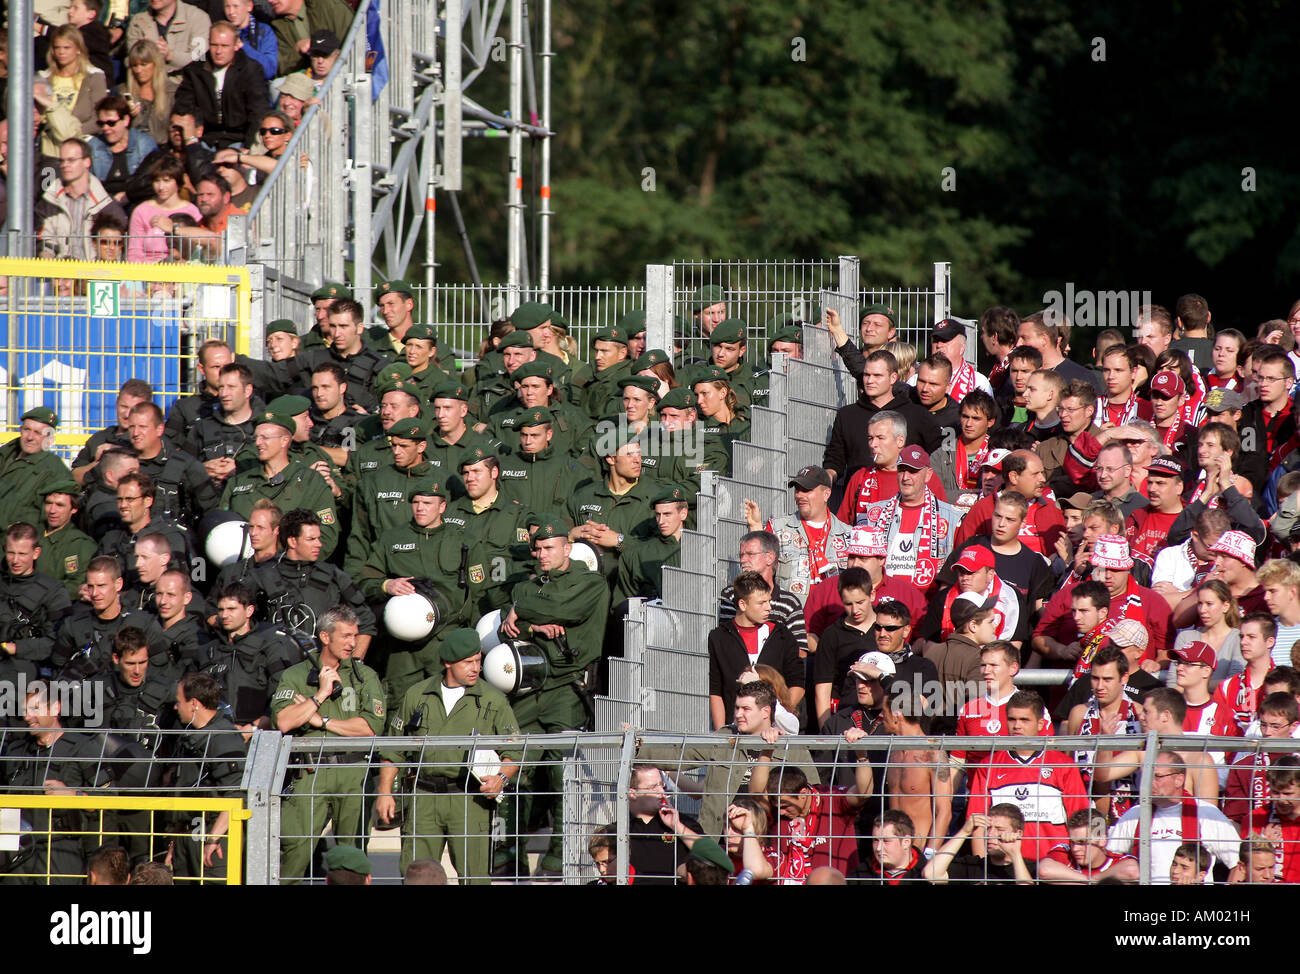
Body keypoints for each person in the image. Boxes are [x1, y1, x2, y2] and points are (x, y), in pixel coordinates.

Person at [377, 629, 522, 885]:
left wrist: (500, 777)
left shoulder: (493, 700)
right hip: (423, 797)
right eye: (468, 662)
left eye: (478, 660)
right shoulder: (417, 694)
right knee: (416, 875)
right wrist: (385, 792)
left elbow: (515, 751)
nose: (476, 668)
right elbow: (393, 748)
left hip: (468, 798)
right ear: (447, 663)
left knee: (474, 876)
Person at [272, 606, 385, 884]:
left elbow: (370, 728)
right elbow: (285, 721)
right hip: (311, 772)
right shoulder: (295, 675)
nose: (352, 643)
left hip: (353, 772)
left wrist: (319, 719)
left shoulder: (364, 676)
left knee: (352, 859)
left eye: (355, 636)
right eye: (346, 636)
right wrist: (320, 693)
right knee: (295, 852)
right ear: (325, 636)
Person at [636, 680, 820, 840]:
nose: (738, 714)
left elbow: (815, 793)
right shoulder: (724, 737)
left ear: (765, 712)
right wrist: (637, 747)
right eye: (737, 708)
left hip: (767, 839)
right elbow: (679, 754)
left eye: (746, 709)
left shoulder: (790, 745)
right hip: (717, 838)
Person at [0, 682, 113, 884]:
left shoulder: (83, 748)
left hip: (61, 851)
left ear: (55, 708)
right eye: (25, 711)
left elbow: (110, 800)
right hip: (15, 854)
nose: (27, 717)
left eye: (35, 709)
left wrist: (75, 796)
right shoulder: (15, 751)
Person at [966, 690, 1090, 862]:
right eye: (1012, 719)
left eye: (1024, 720)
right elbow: (977, 825)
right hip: (1004, 867)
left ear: (1040, 724)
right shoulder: (988, 766)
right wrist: (983, 868)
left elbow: (1080, 821)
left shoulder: (1063, 765)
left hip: (1054, 864)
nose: (1017, 726)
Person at [1106, 750, 1240, 883]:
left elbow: (1239, 865)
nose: (1148, 783)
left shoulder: (1207, 814)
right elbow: (1110, 860)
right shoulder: (1135, 814)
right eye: (1146, 776)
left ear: (1178, 780)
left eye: (1157, 776)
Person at [221, 412, 340, 558]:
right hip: (244, 569)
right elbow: (222, 526)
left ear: (284, 441)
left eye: (265, 437)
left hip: (291, 572)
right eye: (256, 437)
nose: (258, 443)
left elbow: (327, 536)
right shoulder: (239, 482)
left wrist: (287, 564)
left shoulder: (311, 482)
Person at [168, 671, 249, 883]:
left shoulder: (224, 738)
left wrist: (214, 839)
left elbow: (236, 794)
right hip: (188, 835)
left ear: (194, 703)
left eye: (179, 702)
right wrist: (175, 842)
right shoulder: (189, 737)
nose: (176, 707)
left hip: (214, 839)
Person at [822, 348, 942, 485]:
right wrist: (825, 480)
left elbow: (937, 457)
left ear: (893, 378)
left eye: (877, 375)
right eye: (866, 375)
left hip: (903, 497)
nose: (870, 380)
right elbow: (835, 460)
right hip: (859, 496)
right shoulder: (847, 415)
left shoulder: (917, 415)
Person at [857, 446, 960, 595]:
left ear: (928, 475)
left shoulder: (951, 517)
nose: (905, 477)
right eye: (901, 470)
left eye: (913, 471)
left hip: (926, 604)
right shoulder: (874, 513)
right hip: (879, 600)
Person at [761, 749, 873, 884]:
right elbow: (756, 792)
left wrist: (862, 757)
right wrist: (766, 752)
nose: (780, 812)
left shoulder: (832, 800)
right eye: (778, 806)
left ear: (803, 793)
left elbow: (863, 794)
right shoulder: (776, 811)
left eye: (785, 805)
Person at [747, 465, 852, 601]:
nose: (799, 495)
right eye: (797, 490)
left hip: (834, 617)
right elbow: (758, 572)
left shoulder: (849, 535)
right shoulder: (777, 528)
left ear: (826, 494)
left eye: (807, 490)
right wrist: (755, 528)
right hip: (790, 617)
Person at [173, 21, 270, 150]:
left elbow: (258, 112)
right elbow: (183, 104)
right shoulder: (195, 70)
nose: (218, 51)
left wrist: (248, 147)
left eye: (224, 46)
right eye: (214, 45)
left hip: (239, 139)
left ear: (236, 45)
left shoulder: (251, 70)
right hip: (206, 138)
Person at [0, 522, 73, 674]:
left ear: (36, 553)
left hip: (26, 665)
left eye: (22, 554)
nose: (15, 560)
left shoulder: (54, 592)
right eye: (10, 553)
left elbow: (60, 641)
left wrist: (16, 648)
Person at [38, 138, 125, 260]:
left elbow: (117, 248)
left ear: (87, 162)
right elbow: (43, 242)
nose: (64, 165)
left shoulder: (106, 205)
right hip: (58, 274)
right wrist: (46, 257)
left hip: (94, 274)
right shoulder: (49, 201)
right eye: (62, 161)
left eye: (71, 160)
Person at [924, 805, 1034, 885]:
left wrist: (1015, 854)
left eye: (999, 829)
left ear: (1018, 833)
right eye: (988, 828)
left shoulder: (1031, 869)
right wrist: (964, 832)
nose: (990, 834)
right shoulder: (972, 865)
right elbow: (931, 874)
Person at [127, 154, 201, 263]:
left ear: (178, 182)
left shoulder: (192, 211)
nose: (161, 187)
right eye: (157, 181)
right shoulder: (141, 210)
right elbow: (134, 252)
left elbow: (198, 247)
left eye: (166, 181)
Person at [1036, 809, 1139, 884]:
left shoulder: (1117, 861)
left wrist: (1092, 879)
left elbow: (1132, 871)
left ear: (1102, 840)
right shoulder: (1065, 852)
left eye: (1082, 842)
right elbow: (1044, 871)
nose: (1075, 848)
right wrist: (1090, 880)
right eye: (1072, 842)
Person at [36, 481, 98, 598]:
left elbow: (76, 585)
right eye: (49, 503)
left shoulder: (79, 544)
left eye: (60, 505)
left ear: (73, 509)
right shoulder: (32, 533)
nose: (52, 510)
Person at [266, 0, 354, 77]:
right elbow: (279, 67)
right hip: (306, 83)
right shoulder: (277, 26)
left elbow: (354, 41)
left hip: (342, 75)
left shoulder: (327, 6)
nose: (270, 0)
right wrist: (297, 52)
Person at [121, 39, 180, 145]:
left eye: (143, 64)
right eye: (135, 65)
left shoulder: (173, 92)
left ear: (155, 64)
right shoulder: (123, 92)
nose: (138, 70)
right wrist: (126, 115)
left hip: (162, 148)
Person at [127, 0, 212, 73]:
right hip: (149, 86)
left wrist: (170, 56)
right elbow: (130, 61)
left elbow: (199, 59)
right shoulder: (138, 22)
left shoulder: (198, 18)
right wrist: (146, 53)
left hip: (186, 86)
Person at [224, 0, 278, 81]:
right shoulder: (222, 33)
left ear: (249, 6)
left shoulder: (264, 31)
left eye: (236, 6)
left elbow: (269, 71)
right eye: (227, 6)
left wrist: (243, 46)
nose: (231, 12)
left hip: (257, 85)